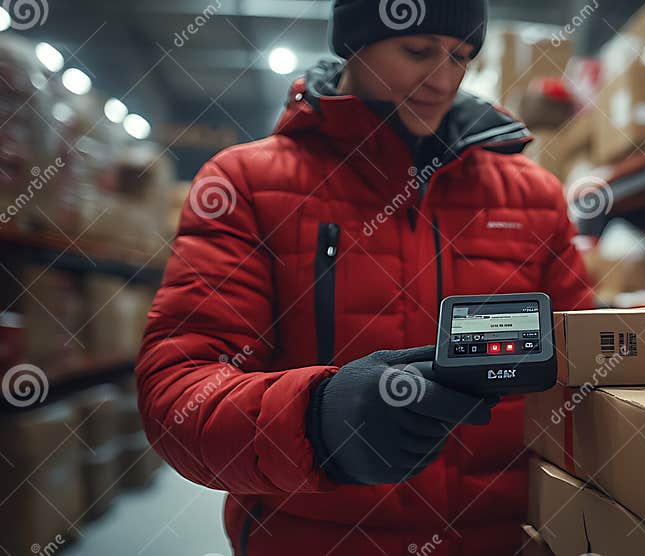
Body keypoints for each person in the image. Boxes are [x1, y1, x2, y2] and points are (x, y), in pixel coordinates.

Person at [136, 0, 594, 554]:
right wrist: (318, 420)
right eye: (418, 51)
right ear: (354, 42)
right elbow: (177, 394)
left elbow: (584, 366)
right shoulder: (245, 184)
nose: (442, 79)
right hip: (318, 539)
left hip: (501, 538)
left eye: (461, 57)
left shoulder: (531, 196)